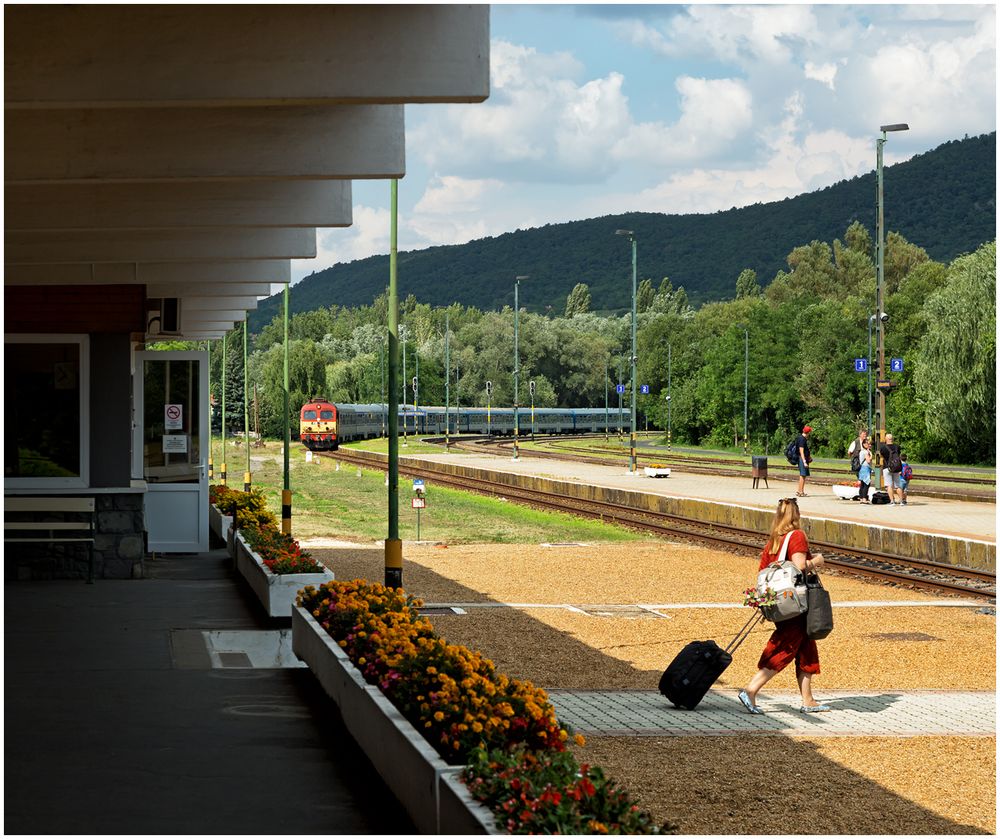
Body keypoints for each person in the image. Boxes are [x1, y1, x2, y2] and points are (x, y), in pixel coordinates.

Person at [738, 497, 829, 714]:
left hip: (780, 604)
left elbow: (763, 571)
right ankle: (750, 690)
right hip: (795, 606)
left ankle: (808, 700)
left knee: (806, 648)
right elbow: (800, 566)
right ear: (795, 514)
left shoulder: (773, 541)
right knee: (783, 648)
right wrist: (818, 560)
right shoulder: (796, 536)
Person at [879, 432, 904, 505]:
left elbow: (882, 456)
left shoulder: (883, 448)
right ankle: (901, 501)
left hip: (887, 468)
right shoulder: (897, 446)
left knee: (889, 485)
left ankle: (892, 501)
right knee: (898, 485)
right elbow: (898, 455)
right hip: (896, 467)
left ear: (886, 439)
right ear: (892, 439)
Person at [795, 425, 813, 497]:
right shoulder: (802, 439)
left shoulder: (801, 438)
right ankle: (801, 492)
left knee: (802, 475)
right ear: (808, 432)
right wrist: (804, 461)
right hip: (802, 459)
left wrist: (809, 457)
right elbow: (801, 451)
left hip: (804, 458)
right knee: (803, 475)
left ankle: (799, 491)